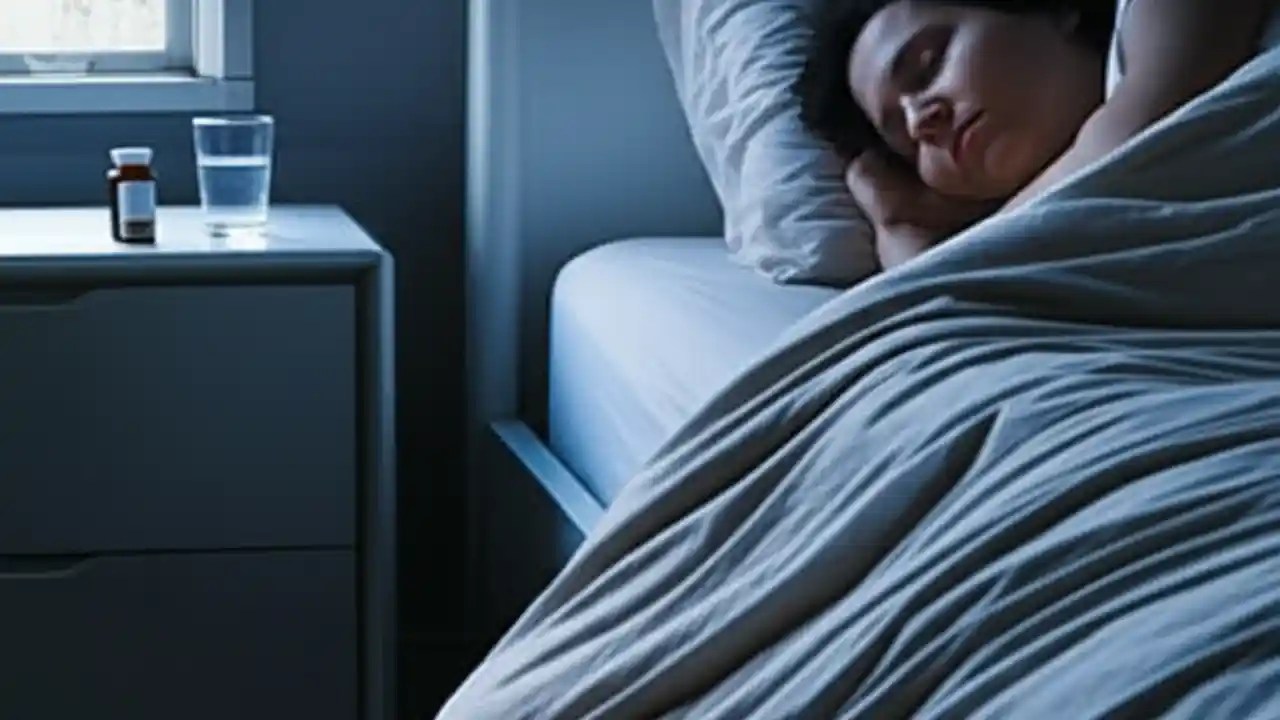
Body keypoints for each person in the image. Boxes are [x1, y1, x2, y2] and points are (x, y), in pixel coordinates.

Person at [797, 0, 1276, 269]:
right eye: (905, 141)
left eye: (930, 64)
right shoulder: (1048, 251)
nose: (921, 120)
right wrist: (898, 226)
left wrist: (910, 227)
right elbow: (933, 301)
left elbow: (1132, 144)